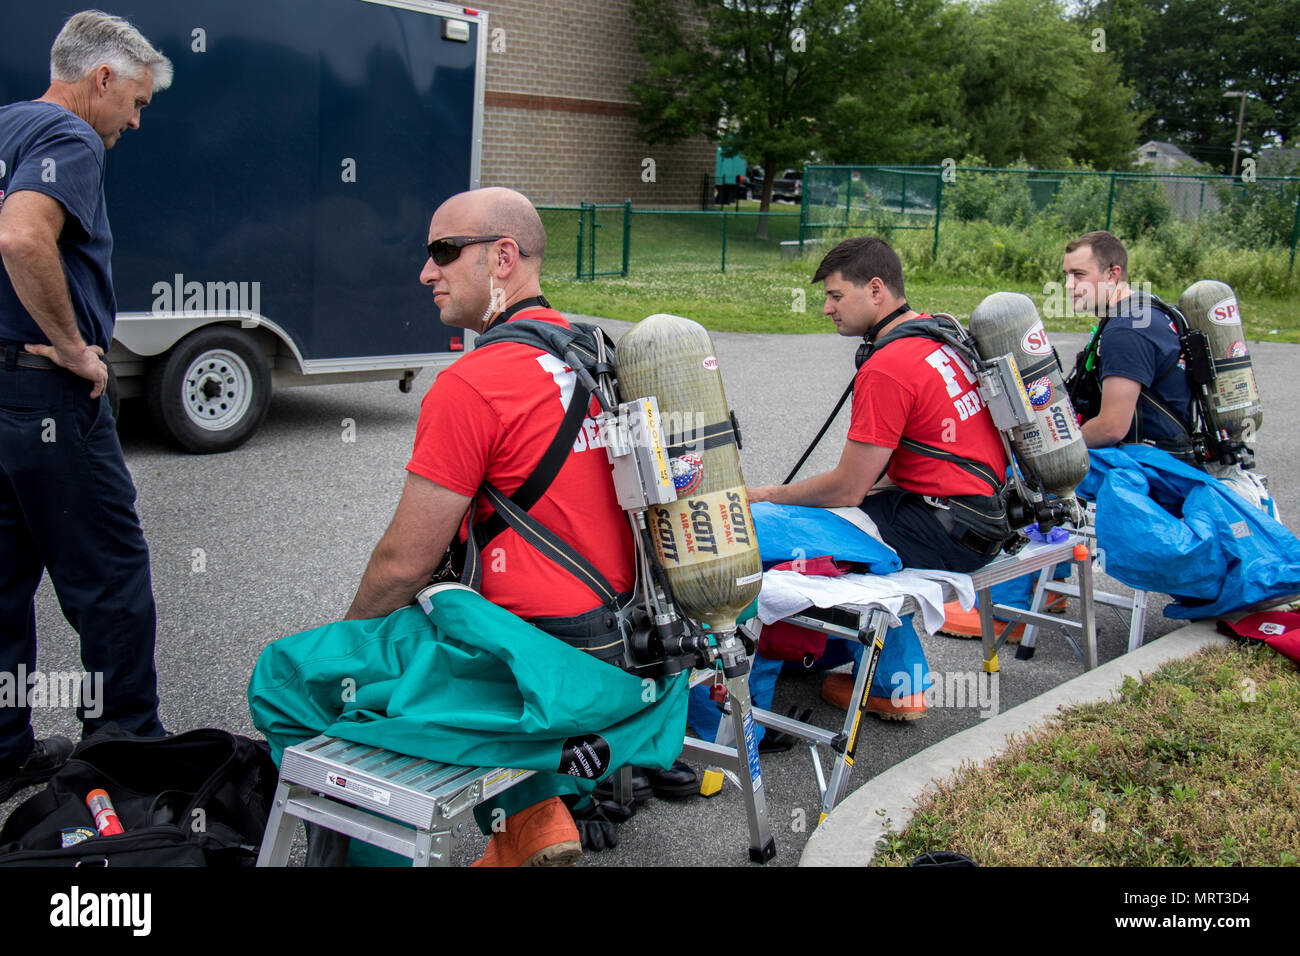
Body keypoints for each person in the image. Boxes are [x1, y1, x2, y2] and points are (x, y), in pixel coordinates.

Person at [277, 186, 688, 865]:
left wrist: (349, 637)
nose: (425, 272)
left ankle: (382, 850)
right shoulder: (599, 354)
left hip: (536, 675)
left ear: (503, 258)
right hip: (632, 659)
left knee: (289, 675)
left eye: (442, 251)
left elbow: (404, 564)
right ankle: (531, 816)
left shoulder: (473, 383)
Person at [0, 11, 172, 802]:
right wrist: (72, 347)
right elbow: (22, 239)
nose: (136, 122)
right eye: (135, 102)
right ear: (99, 79)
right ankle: (127, 748)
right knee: (108, 573)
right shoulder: (68, 138)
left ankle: (5, 750)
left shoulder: (7, 126)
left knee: (4, 573)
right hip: (44, 391)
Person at [747, 237, 1009, 719]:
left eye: (835, 295)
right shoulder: (940, 337)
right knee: (833, 522)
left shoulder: (888, 365)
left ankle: (891, 686)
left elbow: (849, 488)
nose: (826, 308)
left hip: (943, 529)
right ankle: (862, 665)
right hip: (983, 518)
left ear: (874, 289)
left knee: (759, 526)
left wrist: (763, 494)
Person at [1062, 230, 1196, 453]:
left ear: (1112, 275)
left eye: (1078, 275)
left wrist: (1053, 451)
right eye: (1066, 275)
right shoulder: (1145, 308)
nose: (1068, 285)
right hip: (1162, 453)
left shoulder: (1127, 330)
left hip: (1148, 468)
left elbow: (1110, 428)